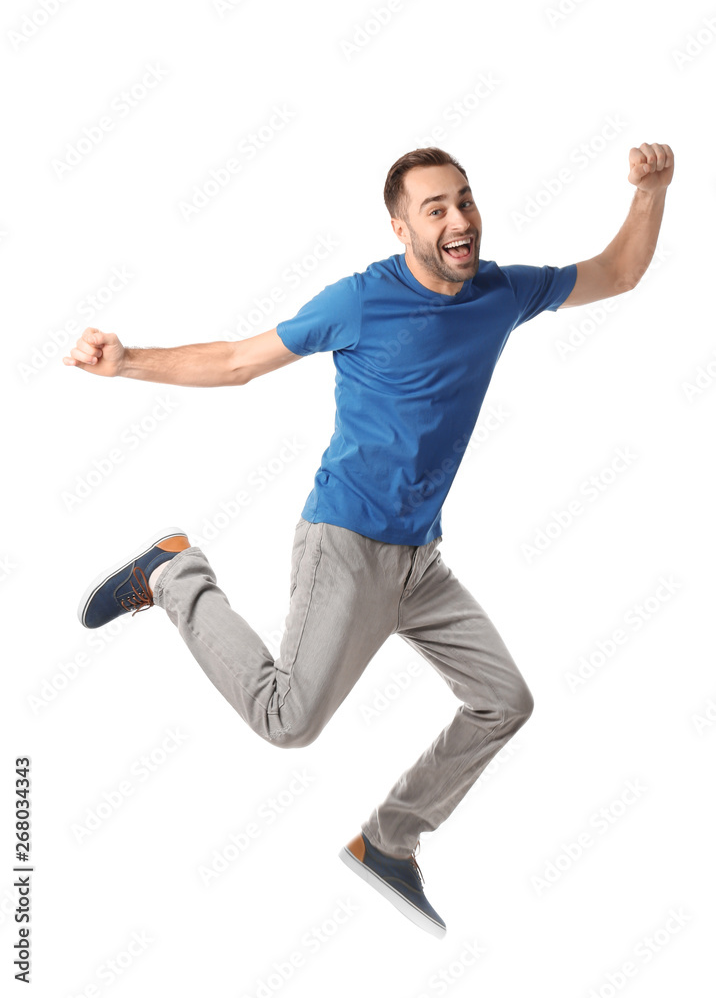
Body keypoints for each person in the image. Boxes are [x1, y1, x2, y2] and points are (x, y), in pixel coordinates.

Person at [64, 142, 674, 938]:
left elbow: (618, 272)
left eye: (465, 200)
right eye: (437, 208)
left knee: (503, 701)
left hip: (420, 560)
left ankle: (388, 843)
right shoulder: (359, 301)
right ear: (401, 228)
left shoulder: (502, 293)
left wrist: (651, 192)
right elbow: (238, 362)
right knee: (288, 721)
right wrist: (128, 362)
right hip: (345, 543)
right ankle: (175, 571)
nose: (460, 220)